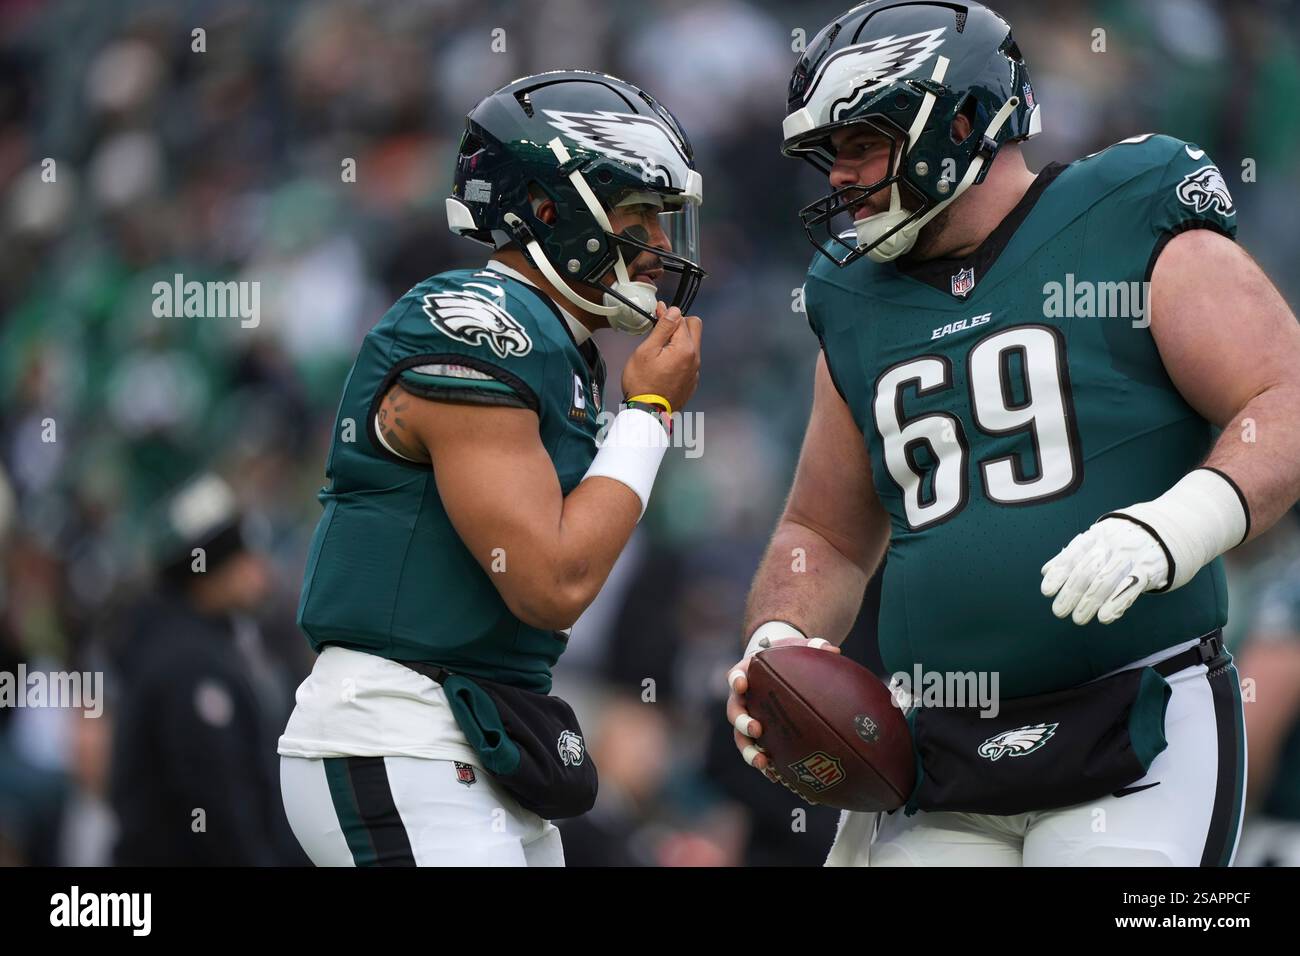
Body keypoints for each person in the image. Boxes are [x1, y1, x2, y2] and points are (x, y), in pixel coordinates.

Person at [728, 0, 1300, 866]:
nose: (839, 176)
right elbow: (824, 534)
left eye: (862, 143)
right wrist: (778, 640)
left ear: (962, 123)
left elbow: (1282, 394)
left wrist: (1178, 526)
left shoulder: (1123, 211)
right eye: (830, 152)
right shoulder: (852, 298)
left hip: (1137, 722)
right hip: (939, 749)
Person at [278, 71, 704, 866]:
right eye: (637, 215)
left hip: (480, 730)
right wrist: (649, 414)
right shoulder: (474, 325)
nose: (660, 245)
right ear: (548, 209)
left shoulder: (554, 341)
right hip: (400, 730)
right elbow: (551, 583)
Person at [110, 473, 301, 865]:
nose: (259, 569)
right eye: (243, 555)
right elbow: (219, 808)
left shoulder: (202, 642)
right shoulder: (189, 666)